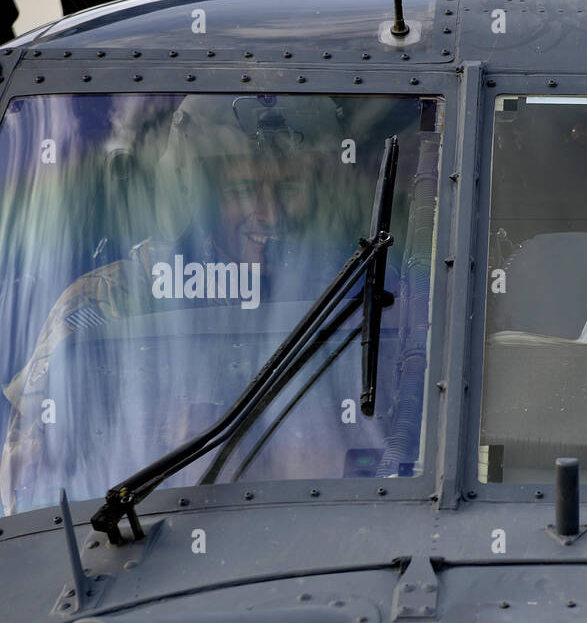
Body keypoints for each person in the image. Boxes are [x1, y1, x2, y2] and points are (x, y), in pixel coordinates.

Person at [0, 94, 351, 513]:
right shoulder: (109, 302)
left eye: (289, 187)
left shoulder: (350, 289)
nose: (270, 213)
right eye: (241, 189)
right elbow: (27, 482)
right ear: (197, 196)